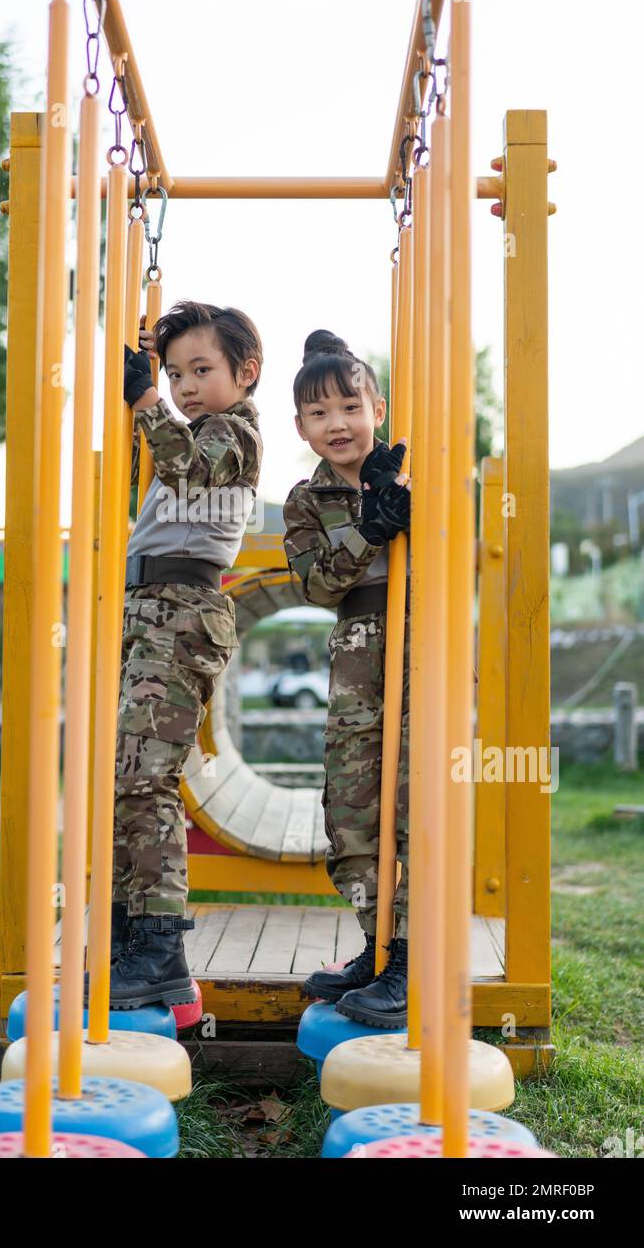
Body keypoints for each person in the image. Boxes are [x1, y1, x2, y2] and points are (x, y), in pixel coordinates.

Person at [100, 300, 263, 1008]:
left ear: (245, 372)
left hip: (182, 610)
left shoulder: (234, 434)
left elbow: (187, 468)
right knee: (126, 776)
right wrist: (148, 375)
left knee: (146, 778)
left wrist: (144, 399)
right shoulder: (193, 428)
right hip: (148, 607)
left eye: (201, 370)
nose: (184, 386)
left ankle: (160, 947)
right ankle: (128, 930)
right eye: (172, 374)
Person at [283, 329, 410, 1026]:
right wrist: (371, 526)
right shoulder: (307, 501)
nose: (337, 423)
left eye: (350, 407)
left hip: (420, 649)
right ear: (300, 426)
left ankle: (412, 958)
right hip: (357, 663)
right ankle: (378, 943)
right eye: (319, 412)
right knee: (350, 813)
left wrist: (398, 501)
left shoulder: (413, 471)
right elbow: (316, 585)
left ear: (377, 409)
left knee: (415, 807)